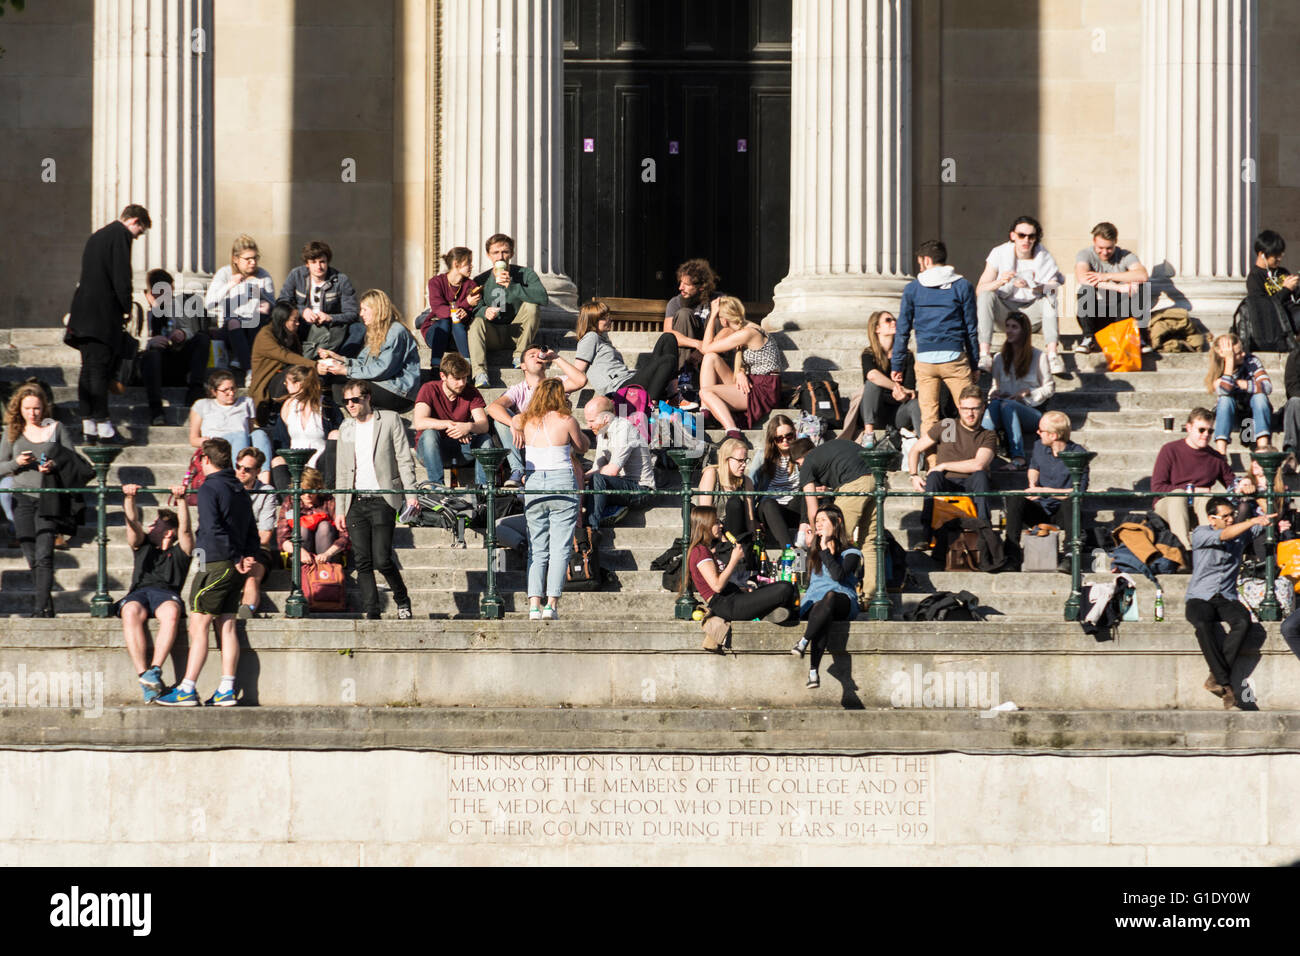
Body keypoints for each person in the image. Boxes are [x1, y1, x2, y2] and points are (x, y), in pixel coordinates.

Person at [154, 438, 259, 707]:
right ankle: (226, 689)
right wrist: (247, 556)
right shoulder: (238, 487)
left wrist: (236, 557)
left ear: (205, 461)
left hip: (213, 562)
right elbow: (251, 530)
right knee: (226, 623)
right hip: (233, 564)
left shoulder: (209, 487)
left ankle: (187, 688)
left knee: (198, 623)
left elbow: (212, 528)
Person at [335, 380, 419, 620]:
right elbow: (342, 469)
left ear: (367, 398)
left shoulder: (390, 420)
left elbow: (404, 459)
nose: (350, 405)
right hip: (355, 500)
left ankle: (402, 599)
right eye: (346, 401)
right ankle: (372, 610)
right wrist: (340, 508)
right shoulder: (346, 427)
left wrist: (411, 494)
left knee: (382, 559)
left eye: (355, 400)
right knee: (362, 560)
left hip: (383, 497)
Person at [66, 203, 150, 445]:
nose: (138, 236)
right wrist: (127, 307)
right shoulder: (121, 236)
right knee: (99, 370)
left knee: (88, 369)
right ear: (134, 221)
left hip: (82, 313)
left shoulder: (97, 236)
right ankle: (103, 425)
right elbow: (121, 275)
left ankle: (88, 425)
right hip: (102, 316)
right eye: (140, 231)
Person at [1184, 496, 1273, 710]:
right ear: (1211, 519)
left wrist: (1261, 501)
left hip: (1226, 596)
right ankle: (1225, 683)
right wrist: (1251, 522)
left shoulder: (1241, 532)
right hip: (1200, 595)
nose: (1230, 520)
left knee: (1243, 622)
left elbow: (1266, 519)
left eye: (1231, 515)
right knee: (1203, 625)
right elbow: (1225, 535)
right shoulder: (1201, 533)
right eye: (1225, 516)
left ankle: (1215, 678)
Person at [0, 384, 81, 617]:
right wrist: (17, 463)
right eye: (27, 408)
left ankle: (39, 608)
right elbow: (1, 466)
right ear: (19, 408)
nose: (32, 413)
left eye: (37, 408)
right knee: (31, 554)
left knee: (45, 554)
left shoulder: (56, 428)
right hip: (22, 498)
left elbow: (73, 460)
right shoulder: (12, 431)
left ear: (44, 407)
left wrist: (53, 465)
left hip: (49, 498)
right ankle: (47, 605)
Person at [893, 239, 978, 443]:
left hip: (925, 359)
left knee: (928, 419)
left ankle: (932, 466)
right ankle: (971, 462)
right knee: (969, 412)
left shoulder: (912, 288)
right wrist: (975, 364)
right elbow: (971, 329)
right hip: (954, 358)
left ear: (926, 259)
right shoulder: (963, 286)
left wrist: (897, 364)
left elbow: (903, 329)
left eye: (920, 261)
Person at [519, 379, 589, 621]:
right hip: (562, 482)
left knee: (537, 550)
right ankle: (551, 605)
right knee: (560, 549)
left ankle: (533, 606)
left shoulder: (526, 421)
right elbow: (582, 446)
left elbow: (511, 426)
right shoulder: (566, 420)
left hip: (535, 481)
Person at [119, 482, 193, 703]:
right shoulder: (143, 545)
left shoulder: (181, 551)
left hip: (166, 594)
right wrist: (129, 498)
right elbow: (132, 523)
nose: (151, 526)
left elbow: (186, 530)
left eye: (157, 524)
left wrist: (181, 500)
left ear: (169, 532)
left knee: (171, 612)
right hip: (140, 592)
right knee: (130, 610)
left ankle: (155, 669)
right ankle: (144, 675)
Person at [683, 506, 798, 643]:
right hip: (726, 605)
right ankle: (766, 612)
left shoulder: (705, 550)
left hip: (733, 597)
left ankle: (767, 612)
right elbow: (717, 586)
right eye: (716, 522)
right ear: (705, 525)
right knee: (785, 589)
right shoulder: (700, 552)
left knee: (783, 585)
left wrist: (742, 589)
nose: (721, 525)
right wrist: (734, 559)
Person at [975, 216, 1065, 375]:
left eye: (1031, 236)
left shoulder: (1044, 257)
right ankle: (984, 355)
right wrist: (1001, 282)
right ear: (1013, 236)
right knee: (985, 296)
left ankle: (1052, 355)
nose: (1026, 240)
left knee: (1050, 297)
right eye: (1022, 235)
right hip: (1004, 310)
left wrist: (1036, 287)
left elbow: (1053, 289)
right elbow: (980, 289)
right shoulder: (999, 253)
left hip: (1030, 314)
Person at [790, 436, 878, 597]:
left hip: (854, 484)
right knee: (870, 541)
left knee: (836, 536)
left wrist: (816, 533)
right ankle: (870, 596)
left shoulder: (807, 463)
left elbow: (812, 507)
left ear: (798, 461)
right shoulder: (828, 450)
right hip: (877, 479)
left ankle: (832, 590)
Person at [486, 343, 585, 487]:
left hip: (554, 442)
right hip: (527, 442)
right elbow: (493, 408)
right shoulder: (518, 389)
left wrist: (556, 358)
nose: (537, 357)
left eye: (538, 354)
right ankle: (517, 470)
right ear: (523, 366)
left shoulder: (554, 384)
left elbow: (581, 381)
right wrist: (513, 423)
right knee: (501, 418)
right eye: (531, 355)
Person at [1002, 411, 1088, 572]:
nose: (1037, 432)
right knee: (1015, 498)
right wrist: (1032, 483)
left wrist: (1044, 491)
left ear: (1053, 435)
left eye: (1041, 430)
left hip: (1063, 512)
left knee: (1072, 500)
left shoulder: (1079, 454)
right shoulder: (1039, 446)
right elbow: (1034, 466)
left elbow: (1079, 492)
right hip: (1039, 509)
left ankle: (1070, 556)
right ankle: (1012, 555)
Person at [790, 505, 861, 689]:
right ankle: (813, 671)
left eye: (823, 520)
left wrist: (824, 549)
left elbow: (839, 576)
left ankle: (804, 641)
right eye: (817, 521)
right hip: (815, 602)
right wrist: (800, 548)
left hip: (842, 600)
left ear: (837, 522)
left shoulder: (851, 553)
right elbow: (797, 578)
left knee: (830, 596)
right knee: (822, 611)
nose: (818, 524)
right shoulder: (813, 552)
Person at [316, 289, 421, 413]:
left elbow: (382, 369)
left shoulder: (396, 331)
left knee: (344, 388)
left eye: (365, 309)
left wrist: (346, 370)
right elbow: (363, 363)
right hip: (382, 384)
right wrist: (339, 359)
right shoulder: (377, 332)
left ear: (377, 310)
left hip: (398, 392)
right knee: (334, 381)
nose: (361, 314)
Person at [698, 296, 786, 442]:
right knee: (710, 358)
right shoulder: (743, 328)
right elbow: (708, 351)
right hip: (753, 381)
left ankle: (733, 431)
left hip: (764, 388)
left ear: (724, 320)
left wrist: (712, 315)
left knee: (705, 391)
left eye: (719, 317)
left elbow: (705, 347)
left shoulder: (747, 332)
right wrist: (740, 372)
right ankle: (706, 411)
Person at [1150, 407, 1241, 549]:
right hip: (1169, 506)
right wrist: (1189, 490)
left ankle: (1210, 547)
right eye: (1201, 430)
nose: (1206, 435)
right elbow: (1157, 487)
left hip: (1198, 508)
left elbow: (1232, 483)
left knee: (1205, 497)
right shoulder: (1170, 450)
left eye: (1210, 431)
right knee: (1179, 495)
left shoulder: (1215, 457)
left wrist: (1245, 482)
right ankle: (1183, 550)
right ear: (1189, 428)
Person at [906, 385, 997, 527]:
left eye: (975, 408)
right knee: (934, 476)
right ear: (959, 408)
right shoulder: (948, 426)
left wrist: (943, 465)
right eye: (966, 409)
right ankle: (928, 532)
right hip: (946, 482)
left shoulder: (988, 435)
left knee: (980, 475)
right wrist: (913, 475)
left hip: (972, 483)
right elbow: (915, 450)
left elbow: (979, 464)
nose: (970, 413)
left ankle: (984, 528)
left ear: (983, 408)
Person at [571, 299, 686, 407]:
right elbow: (577, 371)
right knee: (668, 360)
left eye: (608, 316)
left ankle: (672, 396)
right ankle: (650, 402)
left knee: (668, 338)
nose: (610, 319)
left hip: (629, 379)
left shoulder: (601, 339)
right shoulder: (590, 337)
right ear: (593, 321)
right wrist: (562, 389)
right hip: (619, 388)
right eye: (604, 317)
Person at [469, 233, 548, 387]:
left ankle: (520, 356)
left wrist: (512, 286)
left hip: (517, 333)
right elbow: (472, 308)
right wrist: (484, 311)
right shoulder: (480, 280)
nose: (501, 257)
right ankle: (479, 373)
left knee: (532, 306)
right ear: (488, 255)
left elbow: (543, 298)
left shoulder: (525, 274)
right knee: (476, 323)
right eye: (495, 252)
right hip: (492, 334)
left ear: (512, 253)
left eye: (505, 252)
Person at [982, 311, 1055, 468]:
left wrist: (1028, 393)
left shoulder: (1038, 356)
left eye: (1014, 327)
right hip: (1004, 407)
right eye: (1007, 326)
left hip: (1031, 411)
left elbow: (1049, 388)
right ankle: (981, 453)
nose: (1009, 330)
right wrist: (994, 393)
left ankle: (1018, 457)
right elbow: (995, 386)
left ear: (1024, 331)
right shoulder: (999, 358)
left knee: (1008, 406)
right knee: (995, 405)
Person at [139, 268, 210, 426]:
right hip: (148, 365)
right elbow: (128, 341)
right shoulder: (137, 308)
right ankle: (156, 410)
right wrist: (149, 342)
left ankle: (195, 390)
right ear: (150, 292)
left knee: (202, 339)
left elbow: (188, 329)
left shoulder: (174, 307)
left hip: (173, 358)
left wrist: (182, 334)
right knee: (153, 355)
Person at [204, 234, 276, 385]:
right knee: (234, 322)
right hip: (230, 326)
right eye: (248, 259)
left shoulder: (263, 275)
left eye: (256, 258)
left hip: (256, 323)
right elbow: (209, 303)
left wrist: (264, 300)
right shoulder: (225, 273)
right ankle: (249, 369)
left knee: (259, 316)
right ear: (236, 259)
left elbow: (272, 304)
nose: (253, 262)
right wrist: (230, 285)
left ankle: (243, 360)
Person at [412, 351, 492, 487]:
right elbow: (420, 422)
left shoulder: (471, 392)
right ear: (443, 376)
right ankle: (437, 488)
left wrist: (468, 427)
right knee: (430, 433)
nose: (461, 383)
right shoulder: (429, 389)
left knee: (485, 439)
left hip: (460, 449)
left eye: (465, 378)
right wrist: (451, 425)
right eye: (456, 378)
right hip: (429, 452)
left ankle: (483, 490)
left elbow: (483, 425)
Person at [1073, 221, 1152, 354]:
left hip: (1121, 313)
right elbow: (1083, 278)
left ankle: (1139, 338)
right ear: (1094, 241)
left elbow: (1142, 275)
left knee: (1142, 288)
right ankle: (1088, 339)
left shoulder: (1125, 255)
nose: (1104, 252)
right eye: (1100, 248)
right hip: (1096, 315)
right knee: (1086, 290)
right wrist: (1119, 288)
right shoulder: (1085, 254)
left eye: (1109, 248)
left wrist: (1106, 276)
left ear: (1115, 242)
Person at [276, 240, 362, 359]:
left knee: (358, 329)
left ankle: (339, 360)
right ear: (307, 264)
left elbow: (352, 313)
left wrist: (330, 317)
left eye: (322, 262)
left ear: (328, 262)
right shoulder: (296, 275)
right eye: (314, 262)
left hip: (331, 327)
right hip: (302, 323)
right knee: (279, 320)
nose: (319, 266)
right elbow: (282, 301)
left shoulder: (341, 280)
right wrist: (302, 311)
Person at [188, 369, 274, 483]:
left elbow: (250, 430)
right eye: (225, 390)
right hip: (219, 445)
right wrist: (205, 441)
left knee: (260, 434)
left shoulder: (246, 402)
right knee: (240, 435)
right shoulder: (203, 405)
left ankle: (264, 481)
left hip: (244, 442)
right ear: (214, 391)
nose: (231, 393)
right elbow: (193, 439)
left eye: (233, 388)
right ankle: (238, 478)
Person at [584, 395, 655, 529]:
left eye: (591, 421)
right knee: (580, 490)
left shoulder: (624, 428)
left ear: (605, 418)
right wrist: (579, 479)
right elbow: (596, 468)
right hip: (619, 485)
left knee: (598, 480)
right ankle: (610, 511)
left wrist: (588, 477)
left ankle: (590, 529)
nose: (588, 425)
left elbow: (612, 470)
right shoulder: (601, 431)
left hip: (641, 489)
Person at [265, 366, 342, 489]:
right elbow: (281, 441)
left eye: (287, 382)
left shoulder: (326, 405)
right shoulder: (288, 406)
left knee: (335, 435)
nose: (285, 386)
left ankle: (328, 492)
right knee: (277, 461)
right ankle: (291, 503)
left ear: (298, 384)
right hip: (295, 464)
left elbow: (338, 432)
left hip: (321, 462)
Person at [1207, 333, 1273, 456]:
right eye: (1237, 353)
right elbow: (1225, 391)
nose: (1243, 354)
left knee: (1260, 397)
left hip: (1253, 415)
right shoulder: (1219, 369)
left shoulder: (1251, 361)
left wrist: (1243, 384)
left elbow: (1267, 387)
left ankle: (1263, 450)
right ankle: (1221, 454)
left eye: (1242, 350)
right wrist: (1230, 362)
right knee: (1225, 400)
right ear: (1224, 355)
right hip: (1232, 417)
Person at [233, 447, 279, 621]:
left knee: (252, 577)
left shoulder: (266, 492)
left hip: (257, 549)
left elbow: (265, 535)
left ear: (258, 471)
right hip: (233, 548)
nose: (241, 472)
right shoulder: (228, 488)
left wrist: (246, 553)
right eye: (238, 466)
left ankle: (247, 609)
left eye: (247, 469)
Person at [859, 310, 919, 441]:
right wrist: (896, 387)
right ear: (877, 328)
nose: (894, 322)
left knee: (914, 403)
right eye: (888, 320)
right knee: (872, 383)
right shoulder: (869, 354)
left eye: (894, 319)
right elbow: (872, 375)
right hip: (875, 412)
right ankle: (868, 435)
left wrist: (903, 396)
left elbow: (909, 388)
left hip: (897, 413)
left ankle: (923, 443)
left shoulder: (907, 355)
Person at [276, 466, 349, 568]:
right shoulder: (291, 502)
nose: (307, 495)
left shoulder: (328, 501)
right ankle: (302, 573)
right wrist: (300, 551)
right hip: (299, 553)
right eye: (303, 491)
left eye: (311, 491)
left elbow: (344, 536)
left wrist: (327, 554)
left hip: (328, 553)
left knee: (325, 526)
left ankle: (324, 570)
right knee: (302, 529)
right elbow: (282, 538)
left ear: (318, 488)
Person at [748, 414, 802, 549]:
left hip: (794, 507)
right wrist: (752, 518)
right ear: (773, 439)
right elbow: (750, 485)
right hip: (770, 509)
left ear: (794, 434)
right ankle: (789, 550)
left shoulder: (801, 454)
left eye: (789, 436)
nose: (785, 441)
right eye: (779, 438)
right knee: (768, 503)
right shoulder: (763, 456)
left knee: (805, 497)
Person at [422, 246, 482, 365]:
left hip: (457, 337)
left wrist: (466, 312)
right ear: (456, 264)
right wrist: (465, 304)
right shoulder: (436, 282)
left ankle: (467, 365)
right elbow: (438, 309)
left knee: (456, 321)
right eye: (468, 262)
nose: (471, 266)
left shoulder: (471, 285)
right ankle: (435, 366)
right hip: (436, 334)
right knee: (445, 321)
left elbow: (472, 311)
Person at [249, 302, 315, 411]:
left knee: (302, 372)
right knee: (294, 372)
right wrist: (314, 365)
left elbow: (298, 356)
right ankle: (275, 412)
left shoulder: (291, 335)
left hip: (283, 378)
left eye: (298, 320)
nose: (298, 324)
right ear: (283, 320)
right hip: (267, 383)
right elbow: (285, 356)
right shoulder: (265, 335)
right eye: (294, 320)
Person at [663, 258, 723, 375]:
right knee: (684, 313)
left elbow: (730, 330)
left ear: (701, 287)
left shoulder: (718, 299)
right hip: (687, 356)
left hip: (711, 354)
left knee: (717, 317)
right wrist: (697, 344)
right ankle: (684, 375)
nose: (680, 288)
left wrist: (705, 349)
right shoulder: (675, 302)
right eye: (680, 283)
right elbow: (668, 334)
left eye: (686, 285)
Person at [698, 437, 756, 545]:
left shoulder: (746, 481)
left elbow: (749, 517)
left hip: (737, 533)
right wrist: (723, 539)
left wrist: (754, 541)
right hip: (713, 532)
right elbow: (706, 515)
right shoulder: (711, 474)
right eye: (740, 460)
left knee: (735, 503)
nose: (744, 464)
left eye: (746, 460)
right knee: (734, 502)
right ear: (726, 459)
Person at [1246, 229, 1300, 331]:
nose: (1279, 259)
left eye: (1280, 255)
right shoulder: (1255, 278)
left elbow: (1296, 295)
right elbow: (1264, 307)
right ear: (1262, 254)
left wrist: (1294, 287)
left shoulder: (1282, 272)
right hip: (1281, 320)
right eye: (1275, 255)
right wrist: (1286, 289)